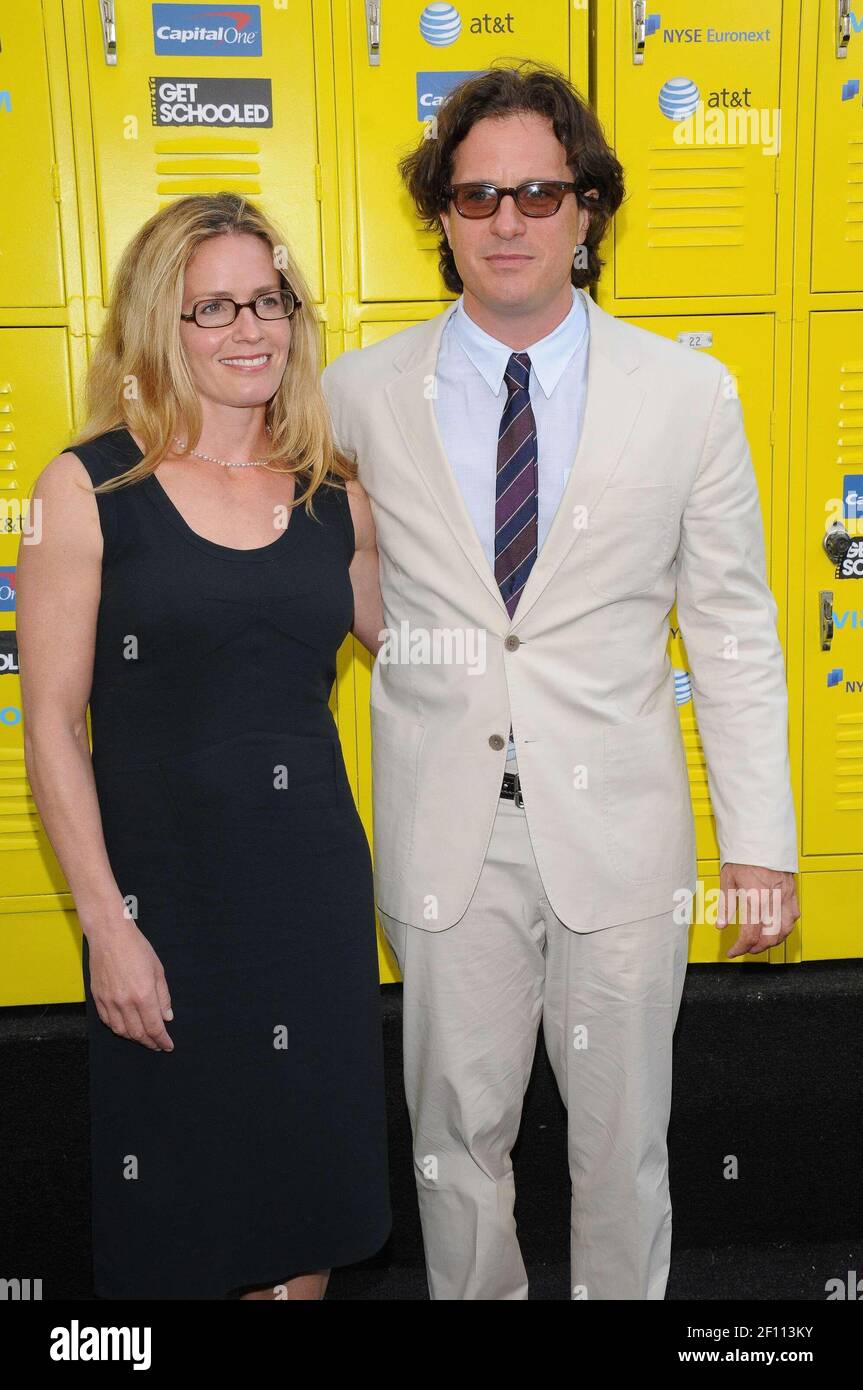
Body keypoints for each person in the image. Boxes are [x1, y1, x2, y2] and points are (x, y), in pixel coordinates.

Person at [321, 64, 801, 1300]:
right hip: (448, 839)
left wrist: (758, 840)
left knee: (618, 1153)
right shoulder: (358, 394)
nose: (508, 222)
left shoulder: (688, 395)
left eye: (538, 192)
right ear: (440, 215)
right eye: (477, 195)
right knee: (454, 1148)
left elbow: (733, 628)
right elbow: (331, 577)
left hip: (623, 843)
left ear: (587, 208)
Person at [16, 192, 391, 1300]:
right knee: (185, 1206)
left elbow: (429, 659)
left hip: (309, 897)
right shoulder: (85, 490)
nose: (248, 330)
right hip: (165, 909)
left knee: (305, 1195)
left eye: (267, 301)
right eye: (211, 307)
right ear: (155, 327)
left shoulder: (336, 498)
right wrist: (105, 926)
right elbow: (48, 724)